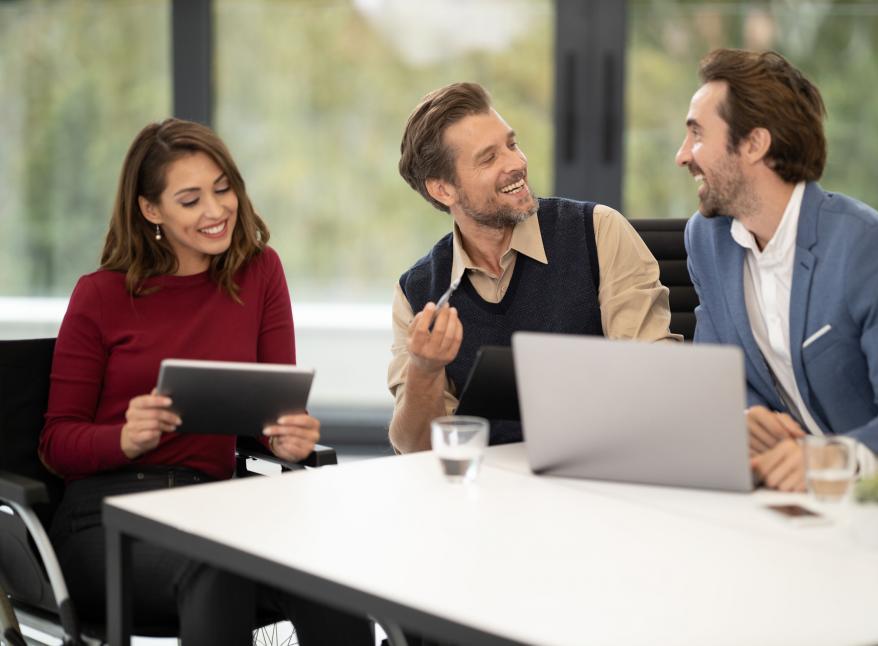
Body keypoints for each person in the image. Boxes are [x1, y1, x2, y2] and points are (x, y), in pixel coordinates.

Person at [38, 118, 372, 645]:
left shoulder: (260, 273)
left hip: (214, 508)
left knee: (330, 566)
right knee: (216, 564)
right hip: (106, 519)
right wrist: (124, 438)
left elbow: (273, 411)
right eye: (191, 200)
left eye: (223, 189)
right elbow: (56, 443)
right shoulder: (100, 295)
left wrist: (287, 437)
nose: (216, 211)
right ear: (151, 210)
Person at [676, 49, 878, 491]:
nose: (682, 155)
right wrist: (742, 417)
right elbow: (719, 375)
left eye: (697, 134)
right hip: (797, 494)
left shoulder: (874, 250)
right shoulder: (707, 239)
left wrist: (827, 459)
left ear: (755, 144)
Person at [389, 82, 680, 454]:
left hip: (595, 468)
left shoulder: (599, 232)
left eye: (511, 144)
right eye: (489, 158)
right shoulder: (417, 292)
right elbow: (415, 450)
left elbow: (654, 386)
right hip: (485, 484)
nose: (516, 164)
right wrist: (424, 370)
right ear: (443, 190)